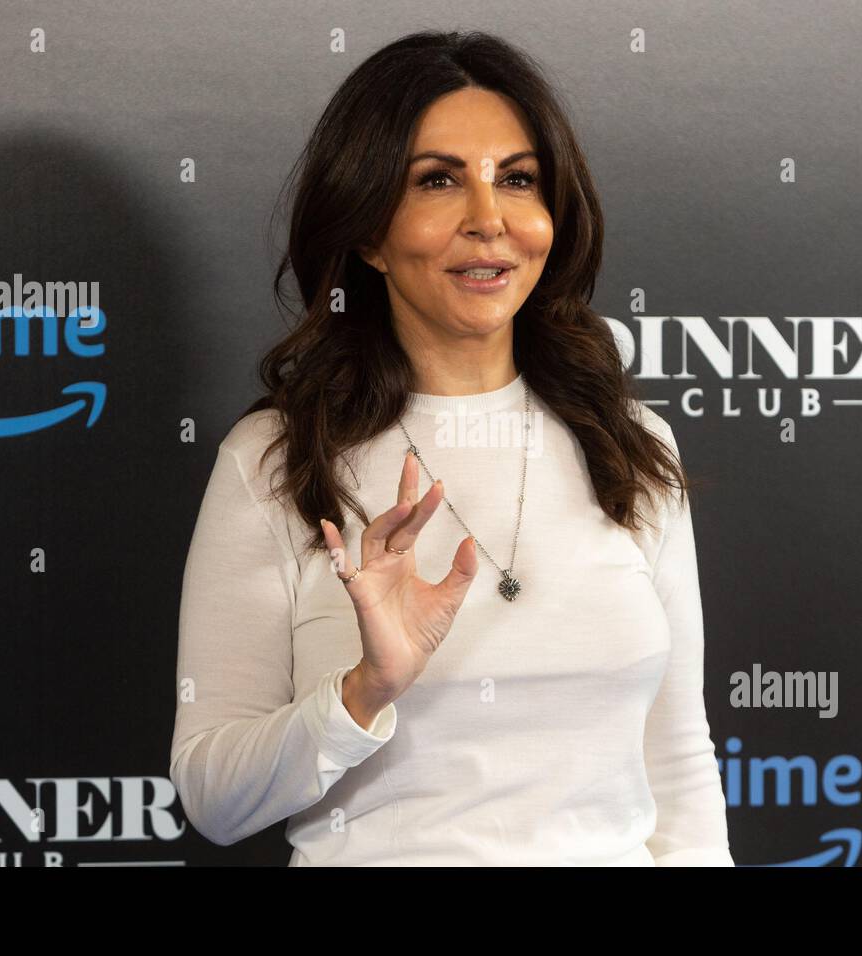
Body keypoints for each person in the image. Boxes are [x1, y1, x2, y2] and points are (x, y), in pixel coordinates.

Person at [169, 30, 734, 866]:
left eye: (518, 180)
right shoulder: (279, 460)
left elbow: (679, 766)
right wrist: (365, 692)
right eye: (438, 181)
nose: (489, 220)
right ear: (368, 233)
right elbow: (213, 798)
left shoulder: (631, 446)